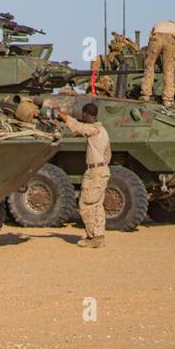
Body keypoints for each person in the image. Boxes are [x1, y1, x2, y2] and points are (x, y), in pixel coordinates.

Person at [57, 101, 112, 248]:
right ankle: (98, 236)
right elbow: (108, 154)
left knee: (85, 204)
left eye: (84, 115)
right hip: (102, 170)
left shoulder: (94, 129)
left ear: (86, 115)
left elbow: (78, 127)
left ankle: (92, 237)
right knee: (97, 205)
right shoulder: (103, 130)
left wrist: (60, 115)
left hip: (95, 172)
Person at [142, 19, 175, 105]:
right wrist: (174, 57)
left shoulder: (158, 24)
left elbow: (150, 39)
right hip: (170, 40)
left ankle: (145, 95)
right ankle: (168, 100)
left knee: (149, 67)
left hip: (155, 38)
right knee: (169, 70)